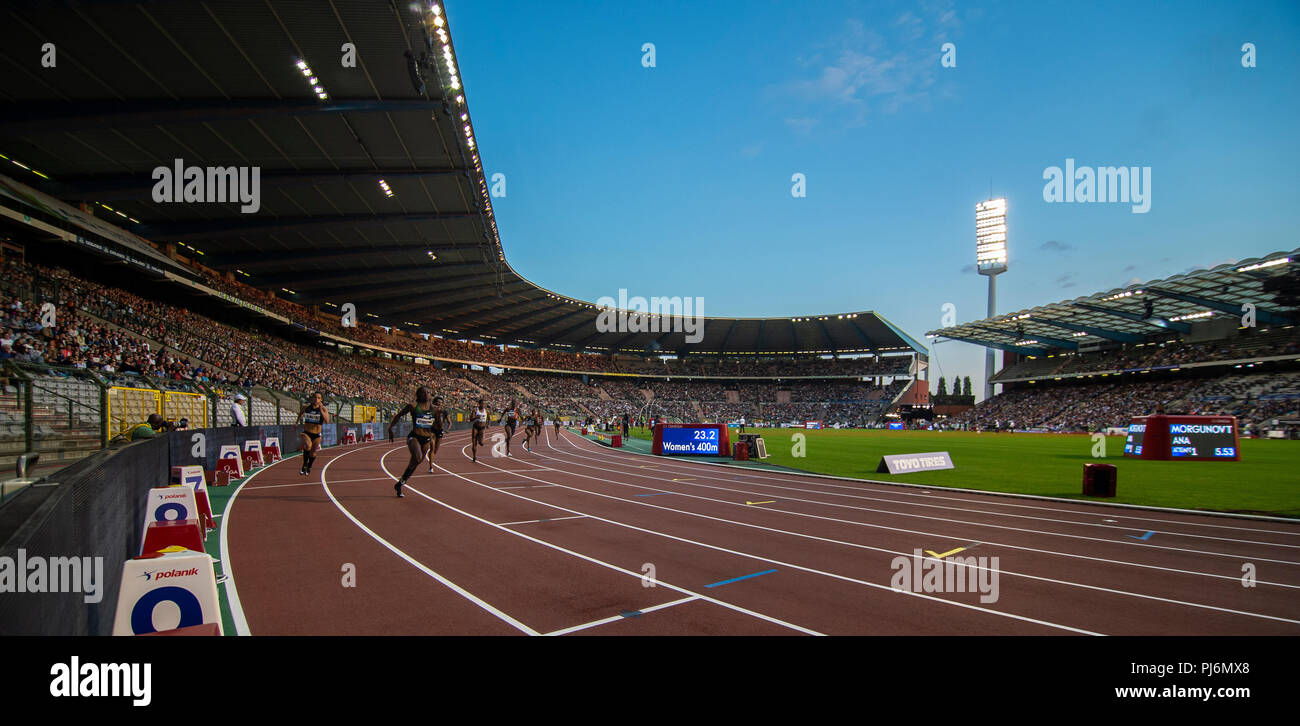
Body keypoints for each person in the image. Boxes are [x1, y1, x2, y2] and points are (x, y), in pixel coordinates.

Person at [388, 387, 447, 497]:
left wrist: (438, 426)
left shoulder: (434, 409)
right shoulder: (413, 406)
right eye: (424, 393)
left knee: (415, 462)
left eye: (428, 392)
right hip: (414, 436)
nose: (427, 394)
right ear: (419, 395)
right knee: (418, 457)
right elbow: (399, 415)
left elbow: (439, 425)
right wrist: (390, 428)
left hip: (427, 439)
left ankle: (400, 483)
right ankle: (401, 482)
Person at [295, 391, 330, 476]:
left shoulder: (324, 409)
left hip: (317, 435)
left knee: (313, 453)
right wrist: (296, 422)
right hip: (307, 432)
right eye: (315, 397)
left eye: (318, 398)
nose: (316, 399)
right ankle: (304, 464)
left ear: (321, 400)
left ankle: (309, 466)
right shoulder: (306, 407)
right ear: (312, 398)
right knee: (308, 446)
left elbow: (327, 421)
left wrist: (321, 410)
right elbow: (300, 413)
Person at [470, 397, 489, 463]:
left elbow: (489, 418)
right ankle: (474, 457)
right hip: (475, 427)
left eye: (484, 404)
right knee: (474, 443)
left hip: (482, 428)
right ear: (479, 404)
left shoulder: (486, 411)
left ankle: (480, 439)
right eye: (482, 404)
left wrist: (488, 424)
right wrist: (476, 417)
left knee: (481, 443)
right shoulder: (475, 410)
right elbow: (470, 419)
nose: (483, 405)